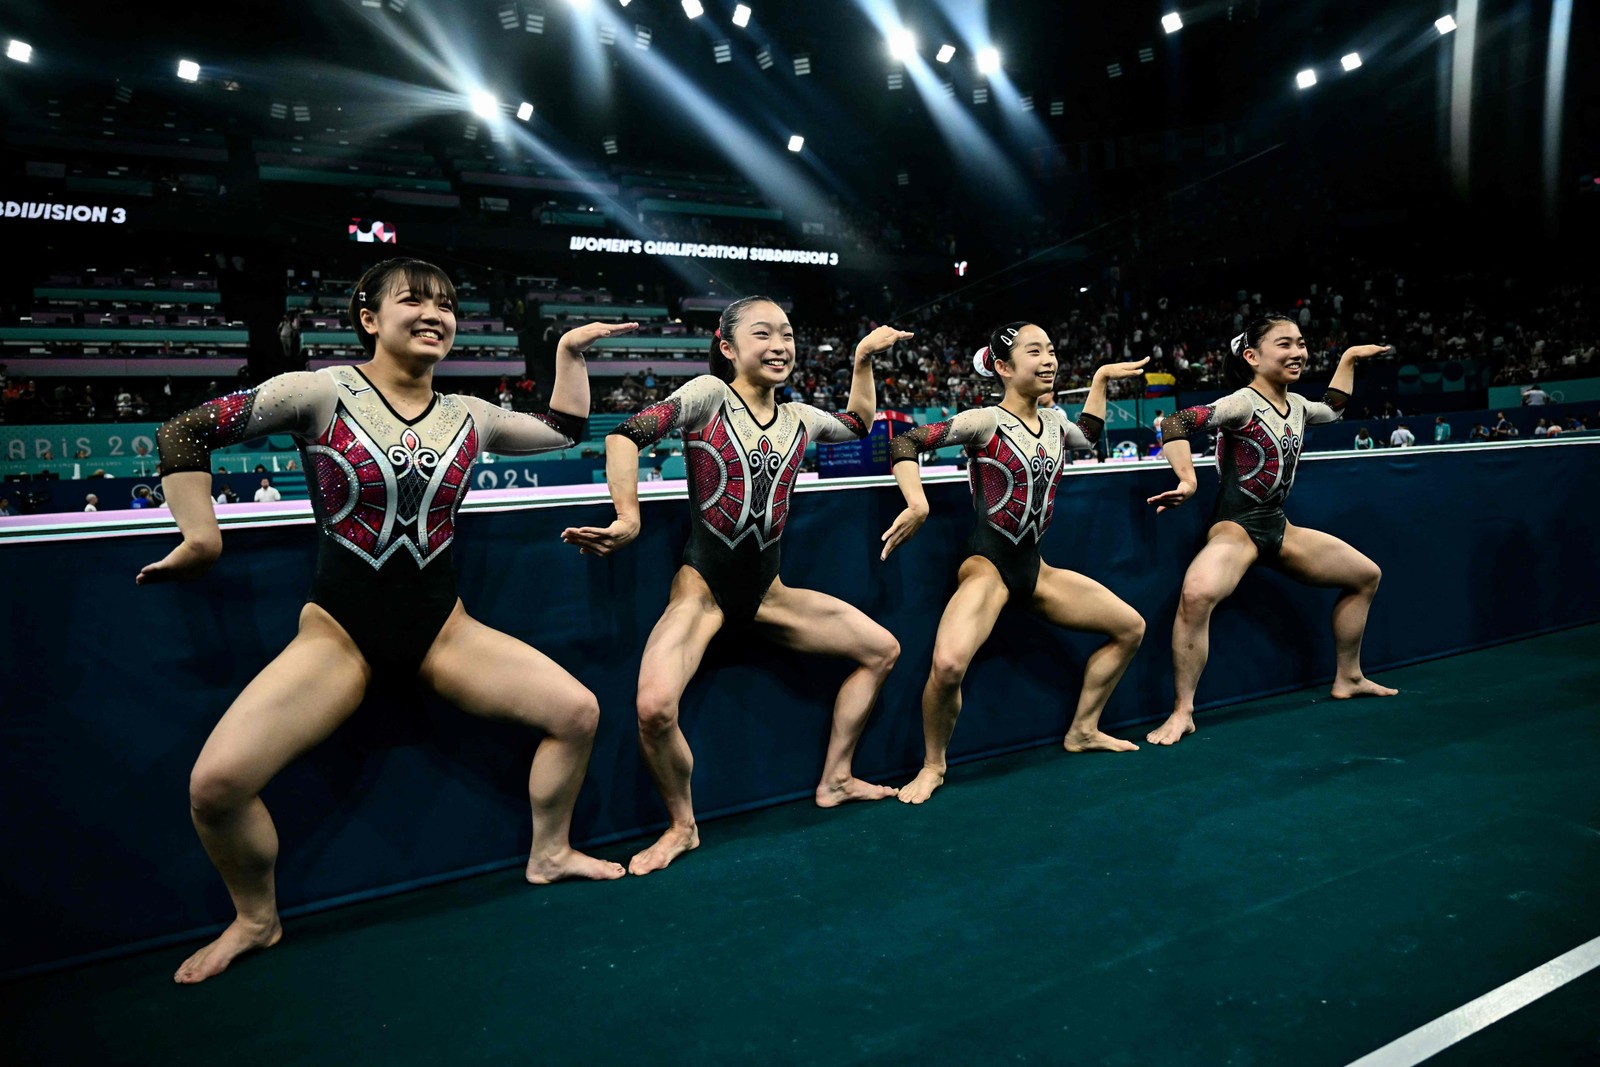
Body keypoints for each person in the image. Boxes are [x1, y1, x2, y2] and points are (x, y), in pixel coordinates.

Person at [138, 258, 637, 985]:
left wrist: (566, 352)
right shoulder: (318, 391)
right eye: (414, 301)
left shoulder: (471, 413)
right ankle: (256, 917)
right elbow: (184, 432)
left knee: (578, 712)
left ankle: (550, 851)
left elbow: (563, 429)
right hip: (340, 633)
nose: (435, 314)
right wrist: (203, 537)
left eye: (447, 305)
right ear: (369, 317)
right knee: (216, 786)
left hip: (444, 628)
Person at [561, 296, 911, 876]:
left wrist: (863, 360)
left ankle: (837, 778)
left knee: (882, 651)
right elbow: (624, 436)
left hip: (769, 592)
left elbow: (857, 424)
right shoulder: (707, 396)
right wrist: (628, 518)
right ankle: (683, 826)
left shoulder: (799, 417)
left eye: (788, 334)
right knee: (653, 707)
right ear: (727, 347)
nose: (780, 345)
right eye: (763, 334)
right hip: (703, 592)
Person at [879, 323, 1150, 805]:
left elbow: (1087, 436)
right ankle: (933, 765)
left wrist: (1102, 381)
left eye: (1050, 350)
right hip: (988, 567)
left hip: (1037, 570)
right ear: (1004, 368)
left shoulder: (1055, 424)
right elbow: (906, 442)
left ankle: (1084, 729)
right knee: (946, 666)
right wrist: (917, 503)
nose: (1048, 360)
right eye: (1034, 352)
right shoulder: (984, 421)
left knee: (1130, 627)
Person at [1143, 315, 1397, 747]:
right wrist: (1187, 480)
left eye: (1301, 342)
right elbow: (1175, 424)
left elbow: (1333, 408)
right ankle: (1182, 710)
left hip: (1278, 525)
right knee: (1197, 595)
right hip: (1236, 527)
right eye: (1285, 344)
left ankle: (1349, 677)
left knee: (1365, 575)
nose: (1298, 351)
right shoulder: (1242, 403)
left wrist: (1350, 358)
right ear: (1253, 357)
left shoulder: (1296, 405)